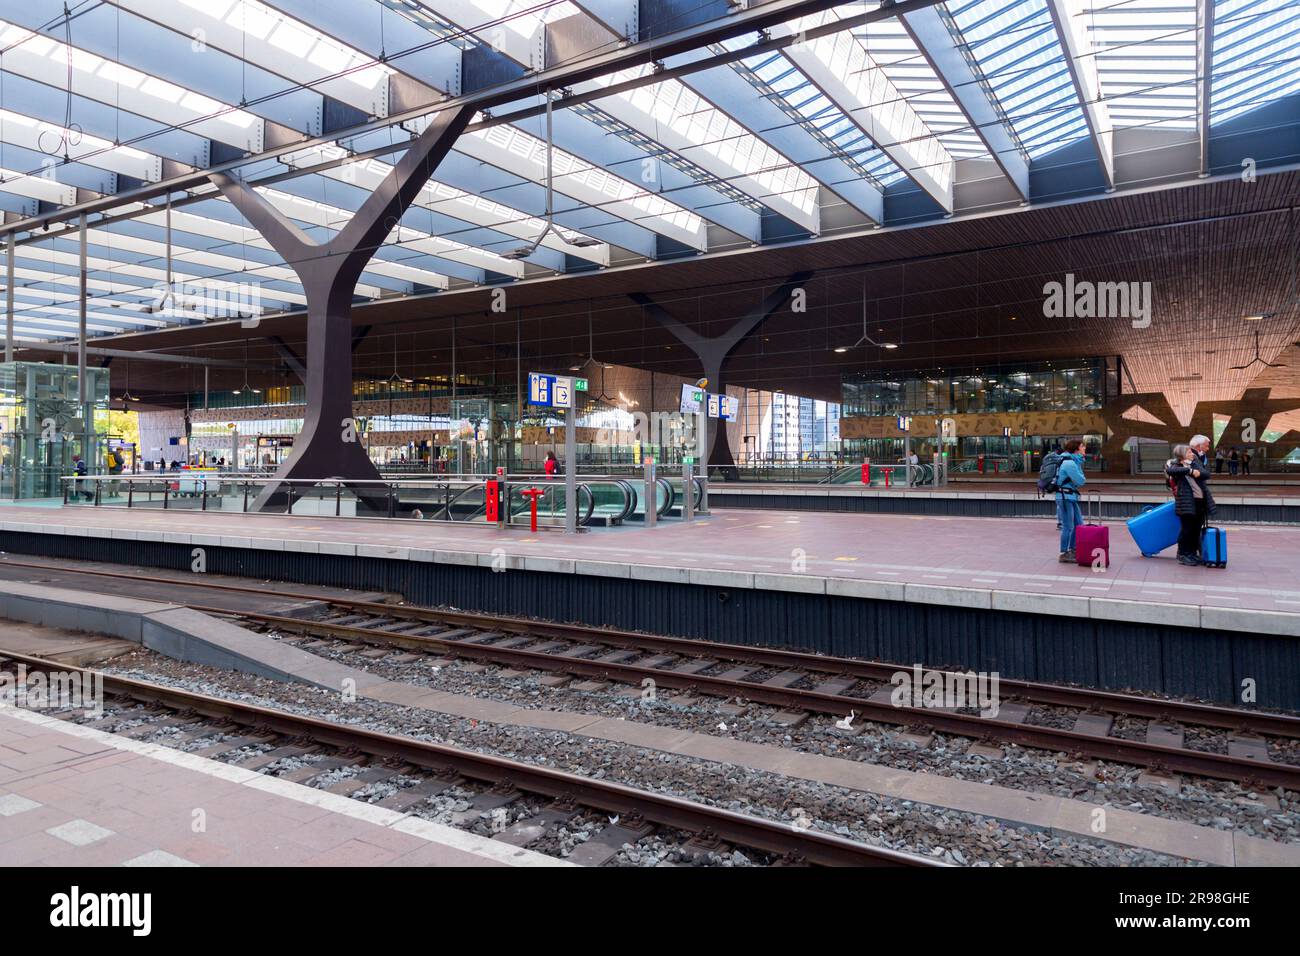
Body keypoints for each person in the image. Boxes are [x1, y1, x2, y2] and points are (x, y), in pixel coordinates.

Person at [1166, 443, 1216, 566]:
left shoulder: (1195, 463)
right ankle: (1183, 554)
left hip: (1200, 501)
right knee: (1186, 529)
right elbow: (1170, 471)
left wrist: (1196, 470)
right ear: (1182, 454)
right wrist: (1190, 471)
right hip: (1187, 503)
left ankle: (1192, 554)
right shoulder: (1175, 465)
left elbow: (1206, 474)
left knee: (1196, 529)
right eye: (1189, 452)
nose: (1192, 454)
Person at [1054, 438, 1087, 562]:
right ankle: (1064, 552)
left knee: (1078, 524)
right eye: (1083, 446)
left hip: (1070, 496)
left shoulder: (1073, 461)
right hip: (1065, 497)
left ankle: (1073, 549)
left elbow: (1079, 480)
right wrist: (1080, 475)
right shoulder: (1069, 463)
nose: (1085, 449)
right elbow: (1081, 480)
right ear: (1076, 449)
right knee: (1068, 526)